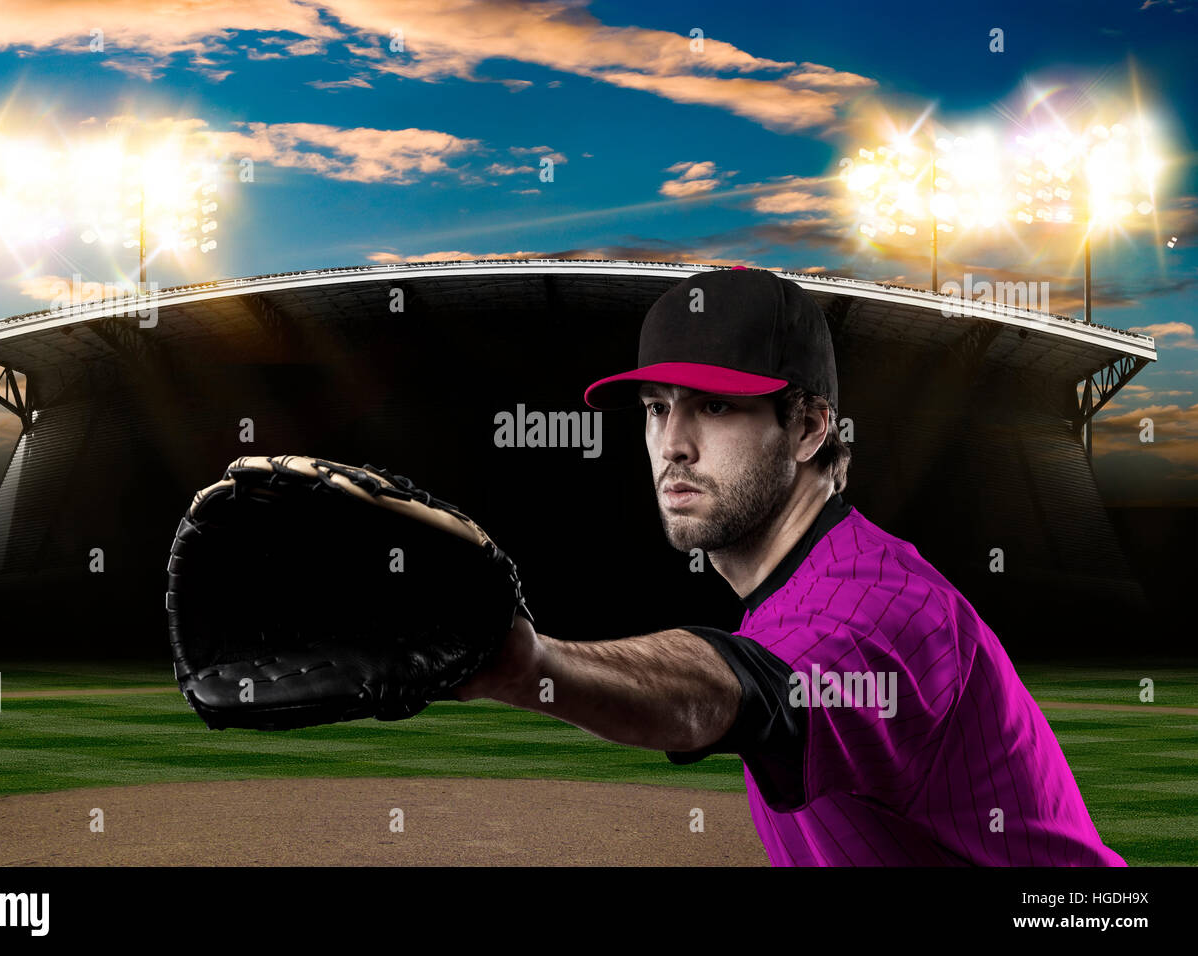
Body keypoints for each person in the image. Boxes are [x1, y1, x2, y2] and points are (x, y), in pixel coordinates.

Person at [457, 266, 1125, 866]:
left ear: (808, 428)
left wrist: (532, 667)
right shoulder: (789, 587)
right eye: (658, 408)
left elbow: (742, 693)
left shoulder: (879, 605)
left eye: (714, 406)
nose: (674, 446)